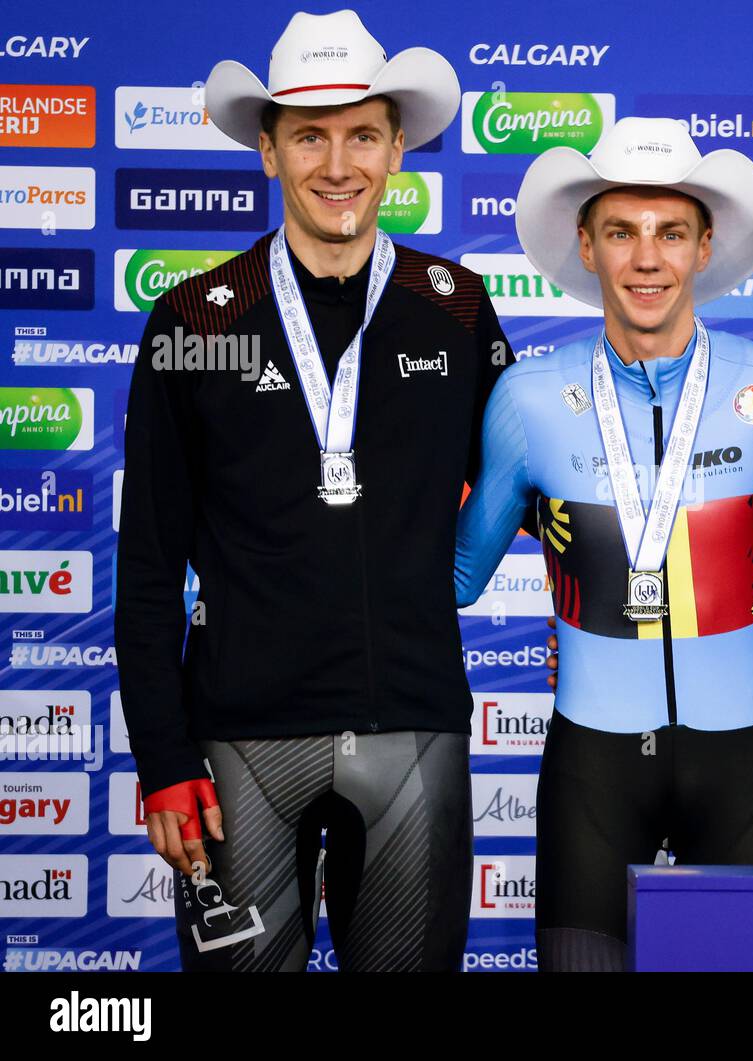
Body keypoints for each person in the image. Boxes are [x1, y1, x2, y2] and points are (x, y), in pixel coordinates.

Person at [115, 10, 512, 971]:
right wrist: (164, 759)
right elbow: (147, 567)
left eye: (362, 134)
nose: (338, 164)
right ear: (268, 151)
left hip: (413, 724)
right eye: (309, 136)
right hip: (241, 743)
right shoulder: (193, 319)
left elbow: (534, 473)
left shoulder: (457, 307)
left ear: (398, 148)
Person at [455, 117, 753, 971]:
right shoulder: (528, 397)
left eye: (670, 232)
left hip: (746, 767)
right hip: (593, 772)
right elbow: (460, 575)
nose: (646, 259)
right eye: (622, 231)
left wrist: (741, 607)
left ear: (703, 245)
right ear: (585, 244)